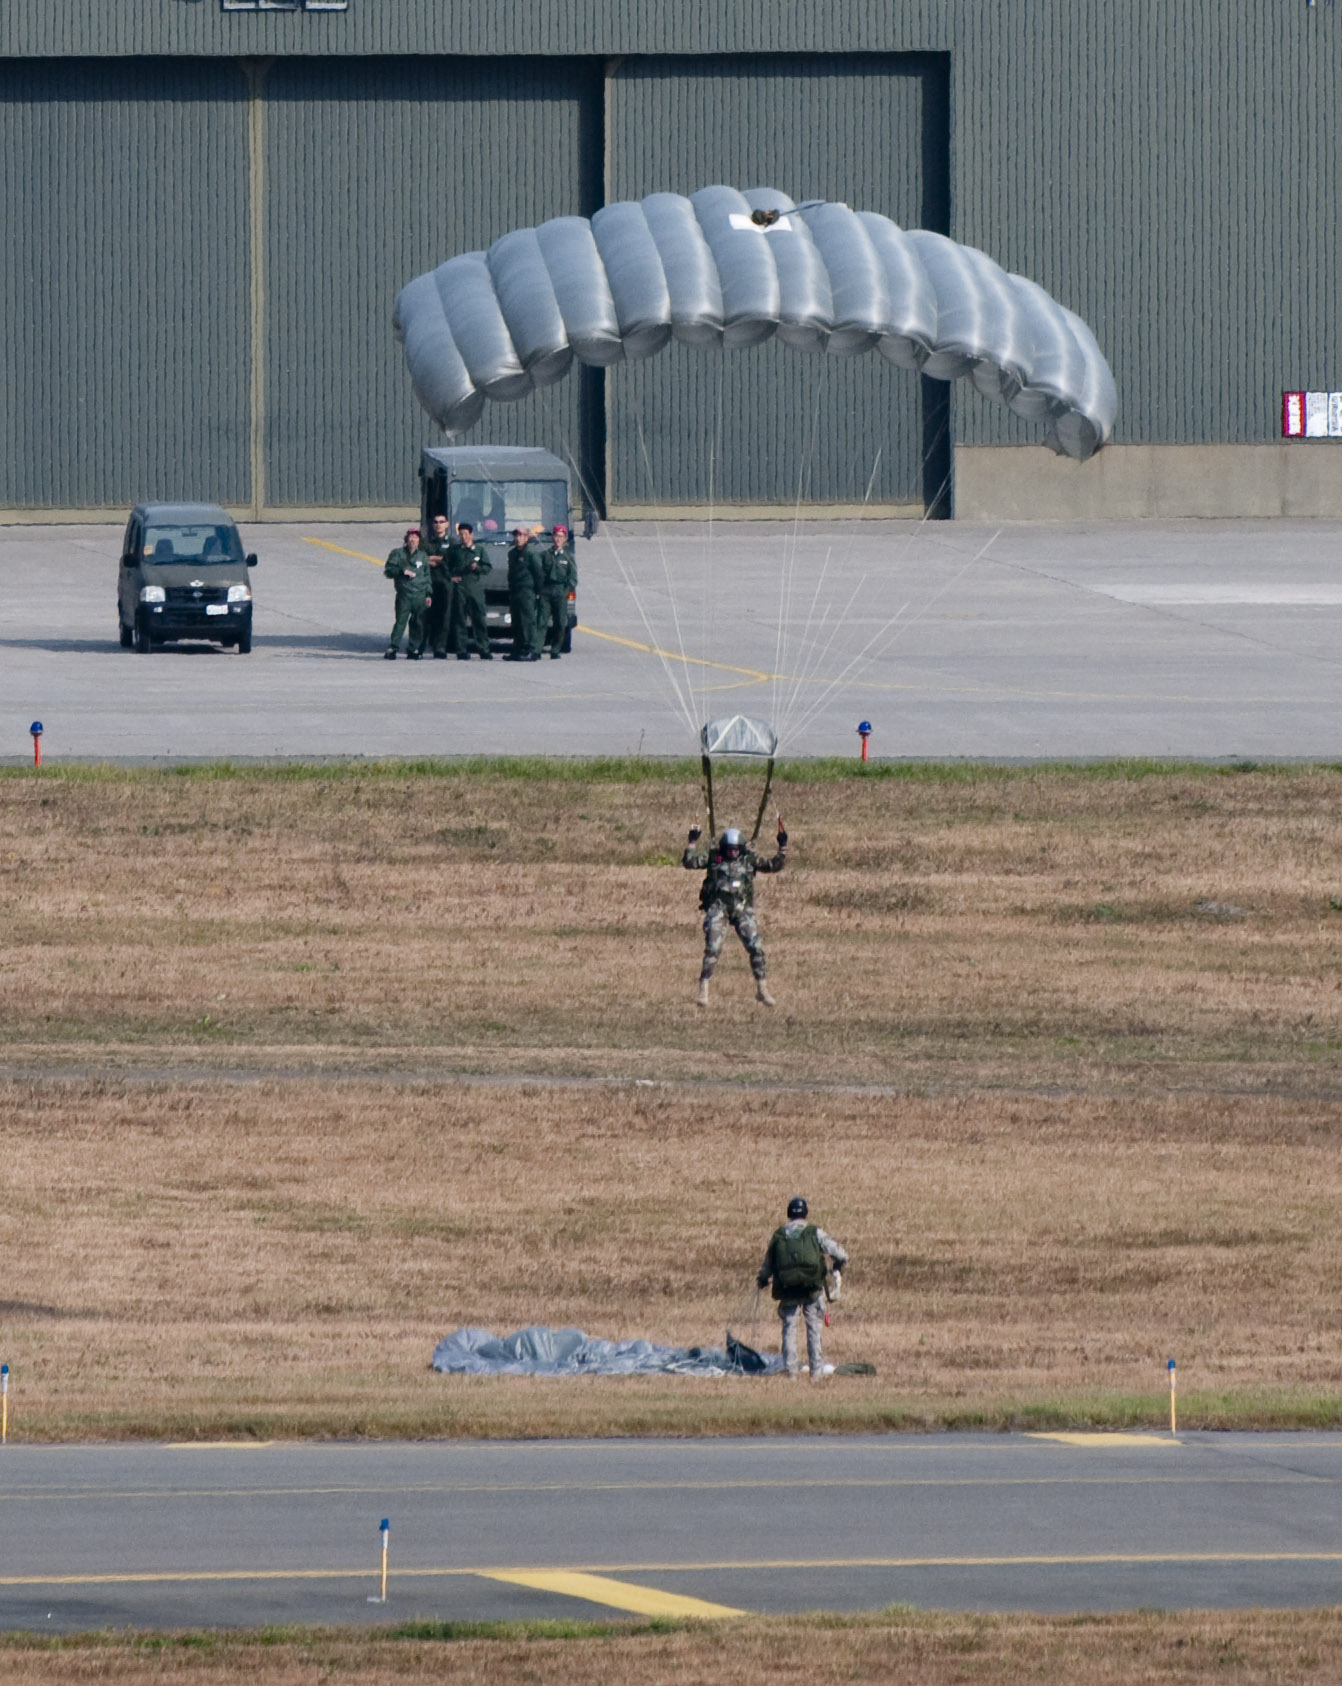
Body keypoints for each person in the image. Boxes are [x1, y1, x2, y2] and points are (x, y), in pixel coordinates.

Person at [682, 817, 787, 1005]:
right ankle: (703, 990)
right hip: (718, 909)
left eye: (737, 849)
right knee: (713, 948)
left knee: (756, 948)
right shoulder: (714, 858)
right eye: (730, 849)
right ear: (724, 847)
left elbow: (774, 866)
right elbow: (689, 862)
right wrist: (692, 842)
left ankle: (762, 989)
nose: (734, 852)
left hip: (742, 909)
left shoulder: (749, 860)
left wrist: (782, 847)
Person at [758, 1196, 849, 1380]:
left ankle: (791, 1372)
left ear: (789, 1214)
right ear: (805, 1214)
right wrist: (837, 1268)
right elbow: (841, 1254)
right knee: (814, 1329)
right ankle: (816, 1374)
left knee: (789, 1329)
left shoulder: (779, 1235)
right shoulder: (814, 1233)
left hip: (788, 1289)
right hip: (812, 1289)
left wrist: (762, 1279)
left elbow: (767, 1265)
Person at [382, 526, 431, 659]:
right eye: (411, 537)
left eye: (415, 537)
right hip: (404, 595)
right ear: (406, 539)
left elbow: (427, 576)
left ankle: (413, 648)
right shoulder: (397, 554)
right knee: (400, 622)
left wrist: (428, 594)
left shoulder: (422, 556)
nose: (413, 540)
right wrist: (401, 571)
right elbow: (388, 571)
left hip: (419, 595)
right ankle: (393, 647)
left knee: (417, 623)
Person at [447, 521, 493, 659]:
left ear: (471, 535)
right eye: (461, 534)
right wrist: (451, 577)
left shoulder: (479, 550)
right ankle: (461, 650)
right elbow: (446, 566)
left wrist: (477, 568)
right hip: (460, 589)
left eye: (466, 534)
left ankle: (483, 649)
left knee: (479, 620)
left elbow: (487, 568)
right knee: (460, 620)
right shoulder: (455, 550)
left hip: (475, 589)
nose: (463, 537)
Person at [534, 523, 576, 659]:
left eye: (561, 537)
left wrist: (566, 591)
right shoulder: (546, 555)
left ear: (565, 539)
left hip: (560, 591)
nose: (558, 539)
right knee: (542, 621)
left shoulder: (568, 557)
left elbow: (573, 578)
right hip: (547, 590)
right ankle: (537, 649)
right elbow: (537, 567)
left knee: (559, 622)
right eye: (556, 536)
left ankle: (555, 649)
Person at [505, 526, 544, 661]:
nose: (518, 538)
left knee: (528, 621)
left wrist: (538, 592)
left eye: (521, 535)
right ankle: (518, 648)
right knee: (516, 621)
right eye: (516, 535)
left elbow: (539, 574)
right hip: (515, 590)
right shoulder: (512, 554)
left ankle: (531, 649)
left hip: (527, 591)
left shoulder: (532, 554)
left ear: (527, 538)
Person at [422, 512, 454, 658]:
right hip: (429, 582)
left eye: (441, 522)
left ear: (447, 524)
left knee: (444, 616)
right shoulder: (426, 543)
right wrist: (440, 559)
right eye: (436, 522)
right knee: (427, 615)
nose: (438, 524)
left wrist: (436, 559)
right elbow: (423, 559)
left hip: (445, 582)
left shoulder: (452, 543)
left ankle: (440, 647)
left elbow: (451, 559)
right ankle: (423, 645)